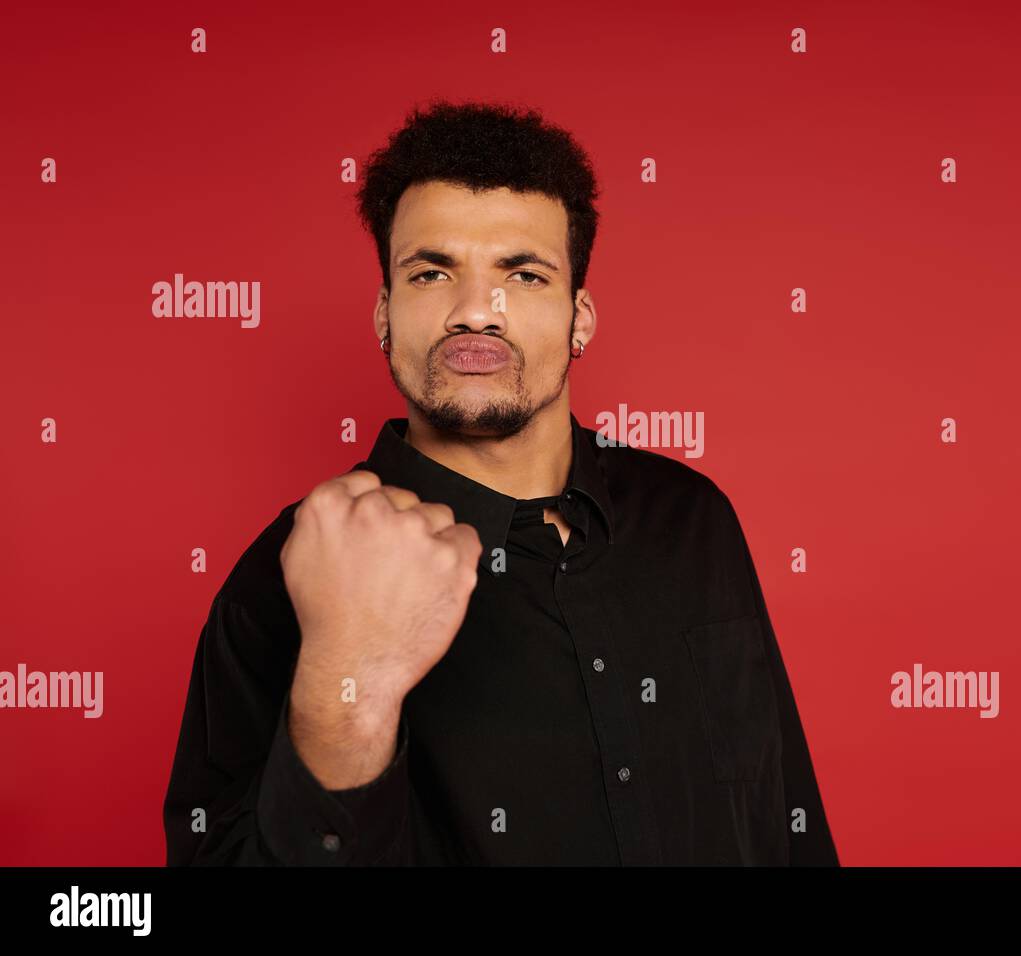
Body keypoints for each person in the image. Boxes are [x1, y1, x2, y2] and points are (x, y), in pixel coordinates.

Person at [162, 99, 838, 865]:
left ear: (580, 318)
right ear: (385, 313)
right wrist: (346, 689)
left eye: (523, 274)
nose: (475, 311)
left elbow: (785, 814)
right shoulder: (286, 575)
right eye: (431, 272)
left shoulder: (693, 520)